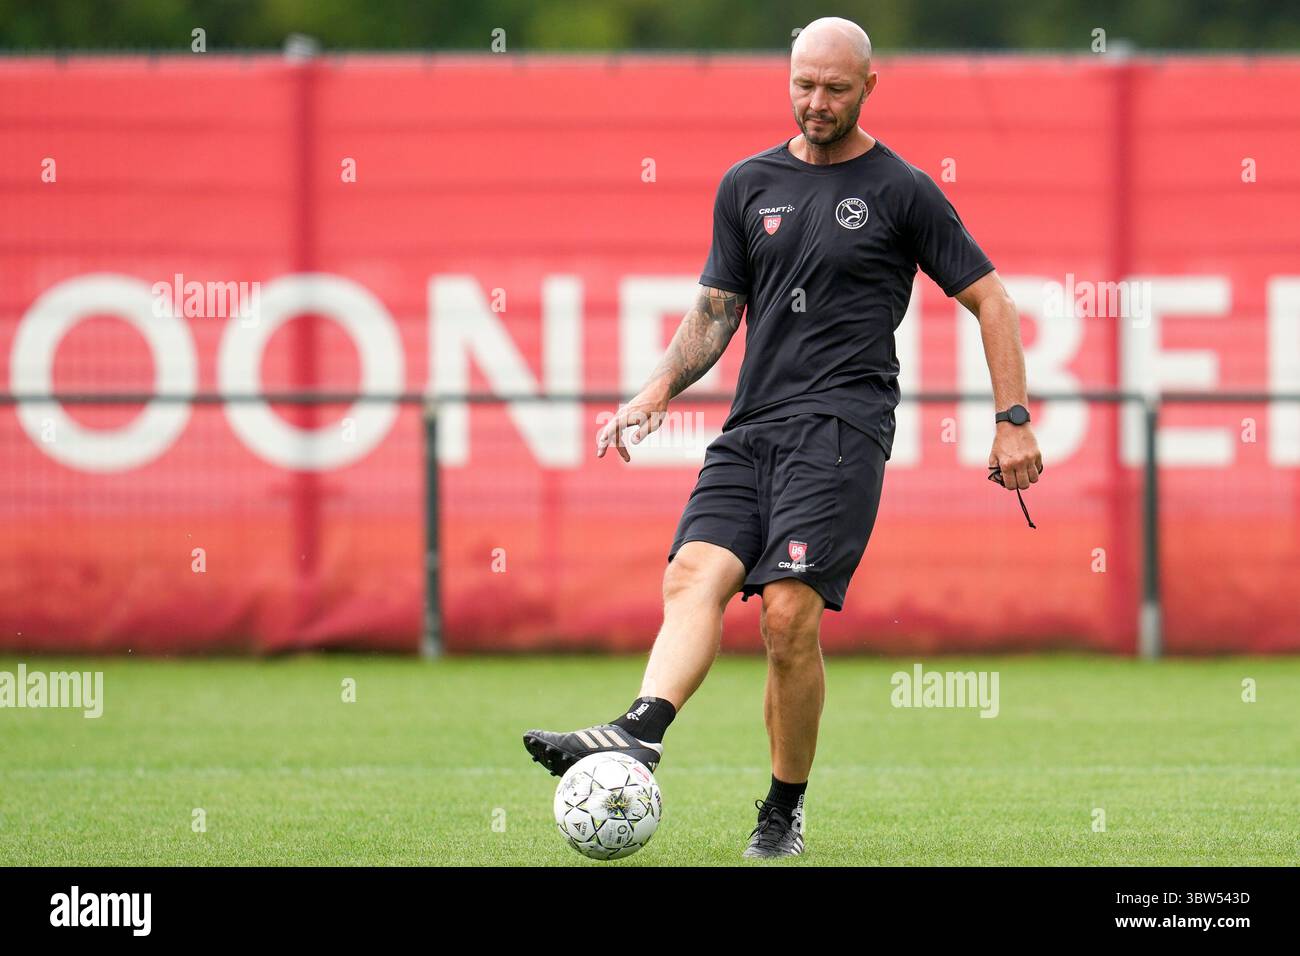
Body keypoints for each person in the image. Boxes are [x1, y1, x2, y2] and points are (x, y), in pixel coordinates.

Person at [523, 16, 1044, 858]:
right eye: (804, 84)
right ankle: (640, 733)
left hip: (841, 429)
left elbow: (994, 301)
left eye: (837, 87)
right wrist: (653, 389)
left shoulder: (901, 189)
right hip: (752, 427)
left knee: (788, 619)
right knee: (696, 573)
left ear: (869, 86)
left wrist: (1012, 419)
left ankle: (782, 808)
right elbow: (715, 312)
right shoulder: (746, 183)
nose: (818, 101)